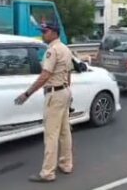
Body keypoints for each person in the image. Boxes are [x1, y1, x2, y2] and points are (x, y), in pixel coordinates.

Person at [14, 22, 74, 183]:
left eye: (45, 31)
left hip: (54, 94)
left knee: (51, 135)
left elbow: (45, 76)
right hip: (64, 91)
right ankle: (66, 164)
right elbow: (68, 73)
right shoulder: (65, 49)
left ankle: (47, 173)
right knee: (64, 131)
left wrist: (27, 93)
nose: (43, 34)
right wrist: (69, 92)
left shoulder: (52, 51)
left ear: (54, 32)